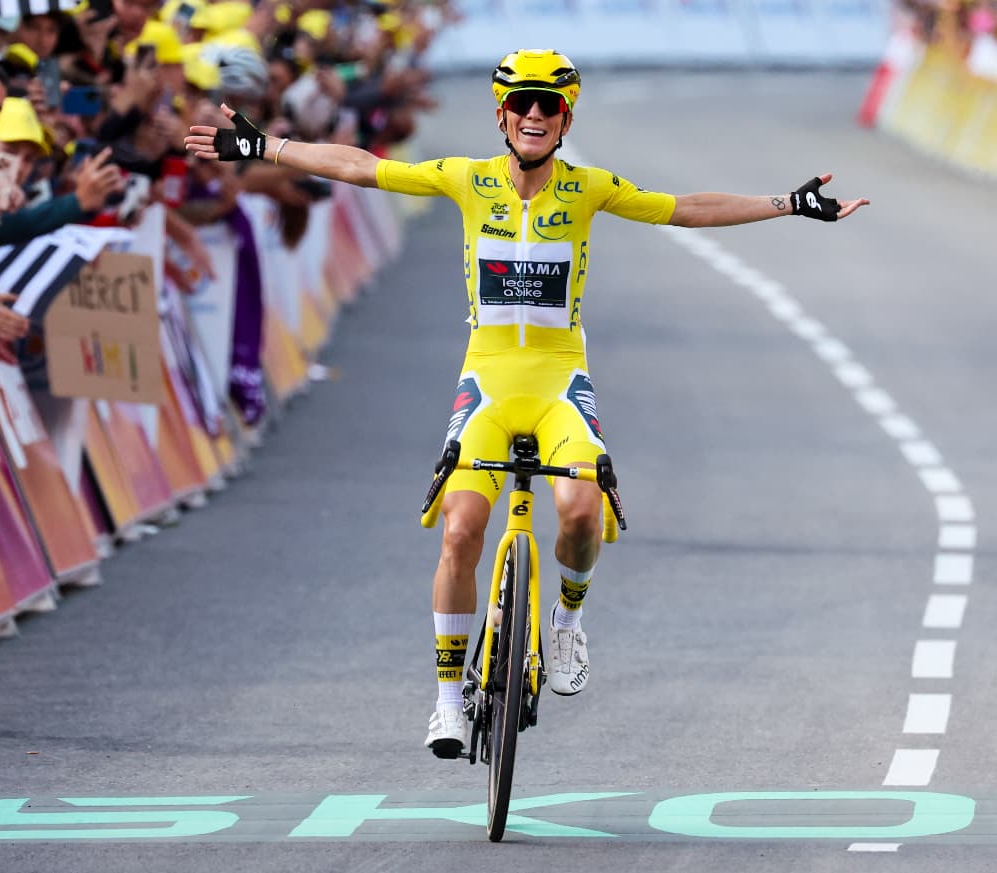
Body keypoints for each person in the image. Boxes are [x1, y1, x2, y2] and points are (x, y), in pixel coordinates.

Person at [185, 49, 868, 759]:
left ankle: (569, 622)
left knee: (579, 508)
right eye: (522, 104)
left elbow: (685, 210)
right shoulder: (465, 177)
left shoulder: (590, 187)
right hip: (486, 380)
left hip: (557, 382)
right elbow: (361, 165)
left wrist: (785, 203)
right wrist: (267, 145)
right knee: (460, 530)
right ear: (502, 114)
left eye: (549, 104)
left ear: (566, 117)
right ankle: (448, 700)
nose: (535, 114)